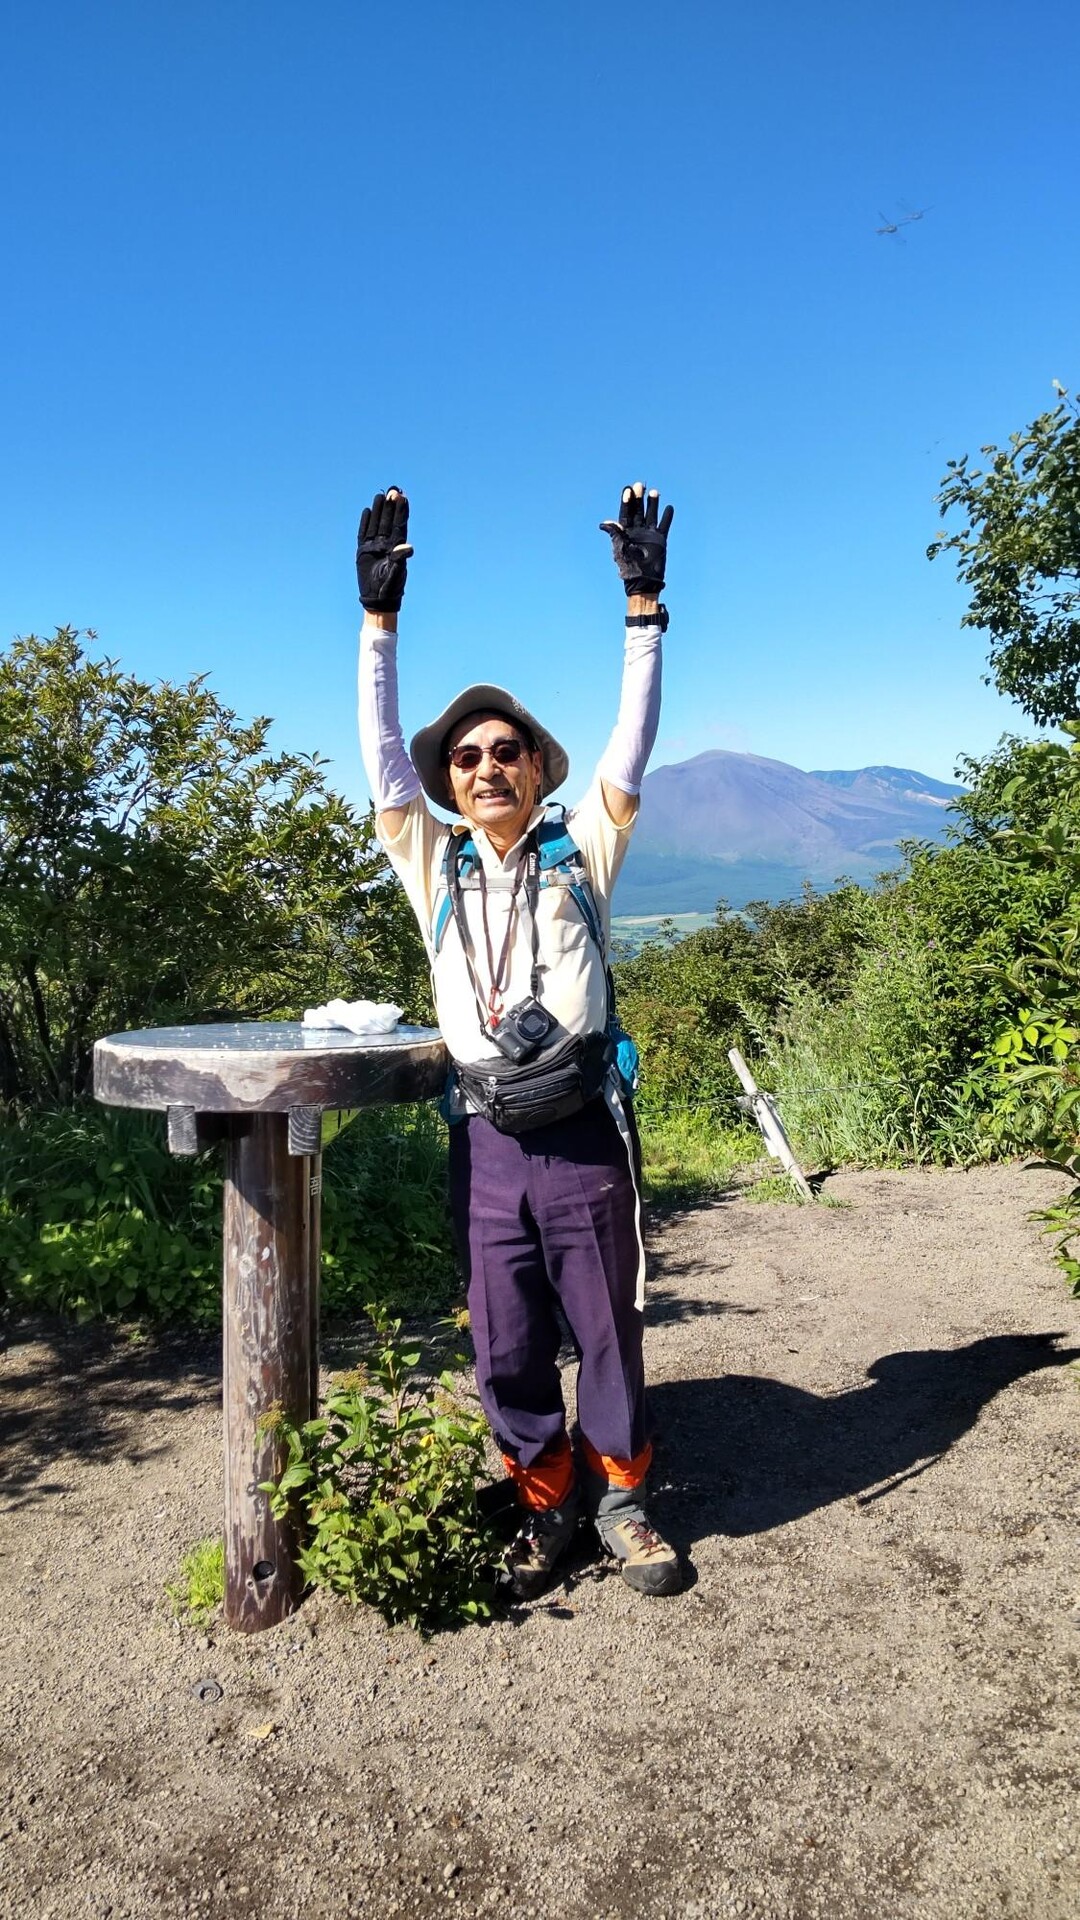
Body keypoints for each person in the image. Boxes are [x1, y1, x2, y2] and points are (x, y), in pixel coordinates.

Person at [356, 481, 681, 1599]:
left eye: (506, 751)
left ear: (537, 768)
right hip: (490, 1137)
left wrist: (643, 612)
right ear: (449, 783)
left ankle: (627, 1503)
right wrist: (377, 624)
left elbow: (631, 750)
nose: (486, 765)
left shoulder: (581, 848)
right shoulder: (431, 862)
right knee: (503, 1341)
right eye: (466, 757)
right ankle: (547, 1509)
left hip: (584, 1129)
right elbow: (381, 763)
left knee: (608, 1327)